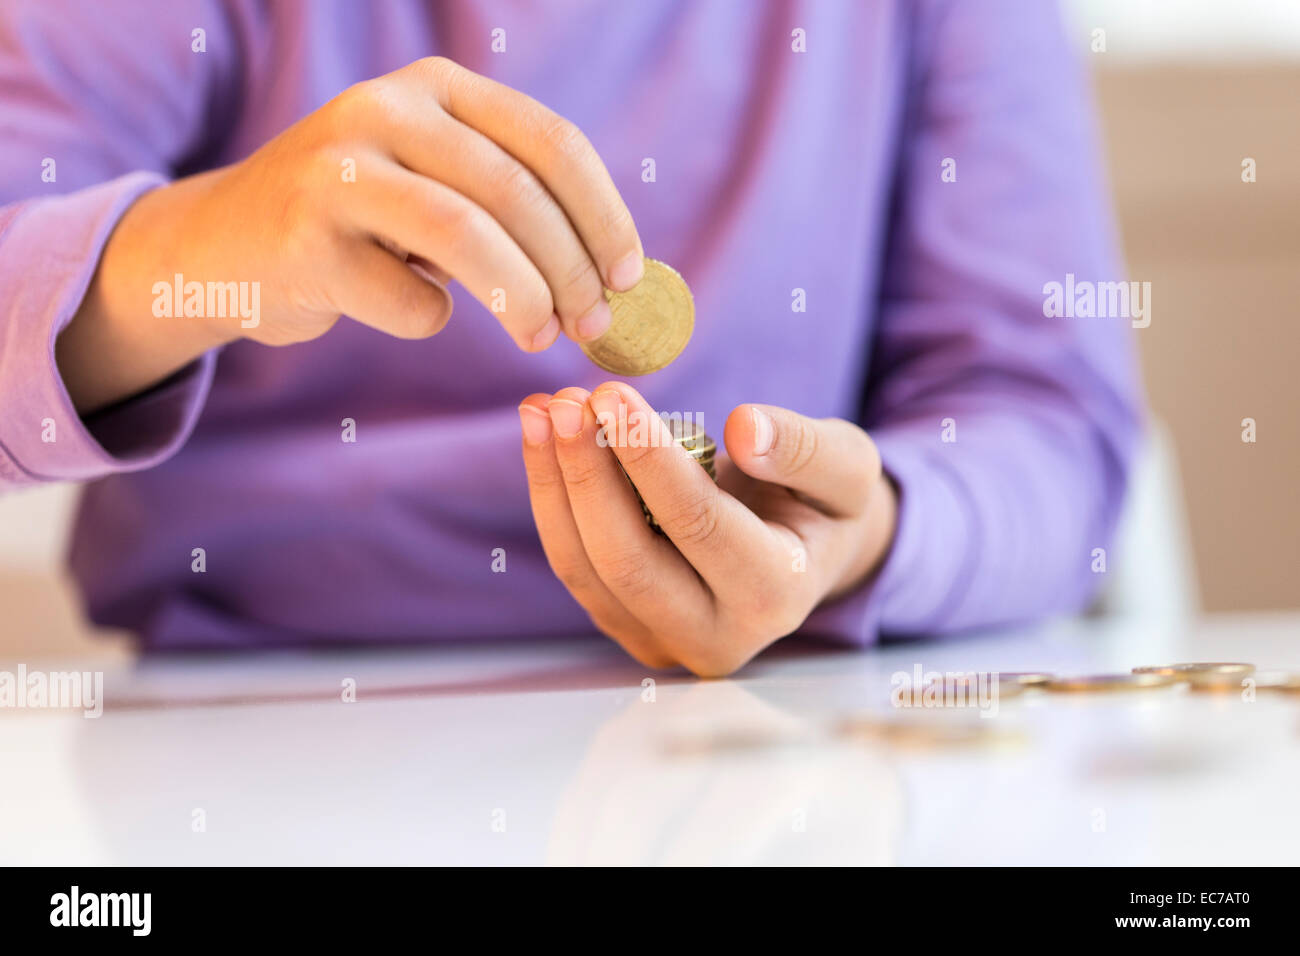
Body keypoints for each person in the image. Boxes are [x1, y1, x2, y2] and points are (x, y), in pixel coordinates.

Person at [0, 0, 1140, 675]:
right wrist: (199, 245)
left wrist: (868, 537)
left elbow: (1047, 418)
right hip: (253, 719)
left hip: (783, 712)